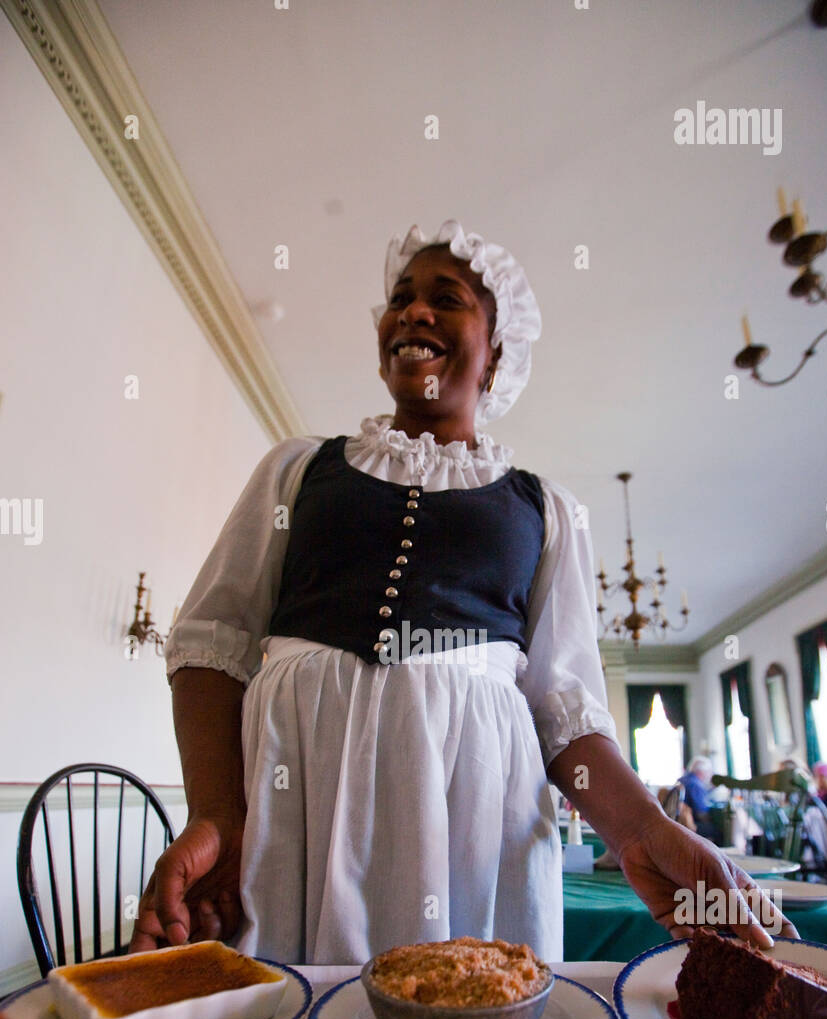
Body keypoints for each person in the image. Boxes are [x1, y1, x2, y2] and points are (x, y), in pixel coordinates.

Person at [130, 220, 793, 962]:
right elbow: (209, 649)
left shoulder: (547, 511)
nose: (413, 311)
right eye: (401, 298)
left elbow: (565, 715)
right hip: (295, 814)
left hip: (474, 824)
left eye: (446, 298)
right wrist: (218, 811)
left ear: (497, 352)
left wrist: (643, 829)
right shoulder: (296, 470)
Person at [678, 756, 724, 845]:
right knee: (718, 831)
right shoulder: (695, 785)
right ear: (701, 772)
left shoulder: (683, 780)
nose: (709, 775)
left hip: (678, 823)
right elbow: (701, 813)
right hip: (688, 825)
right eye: (708, 772)